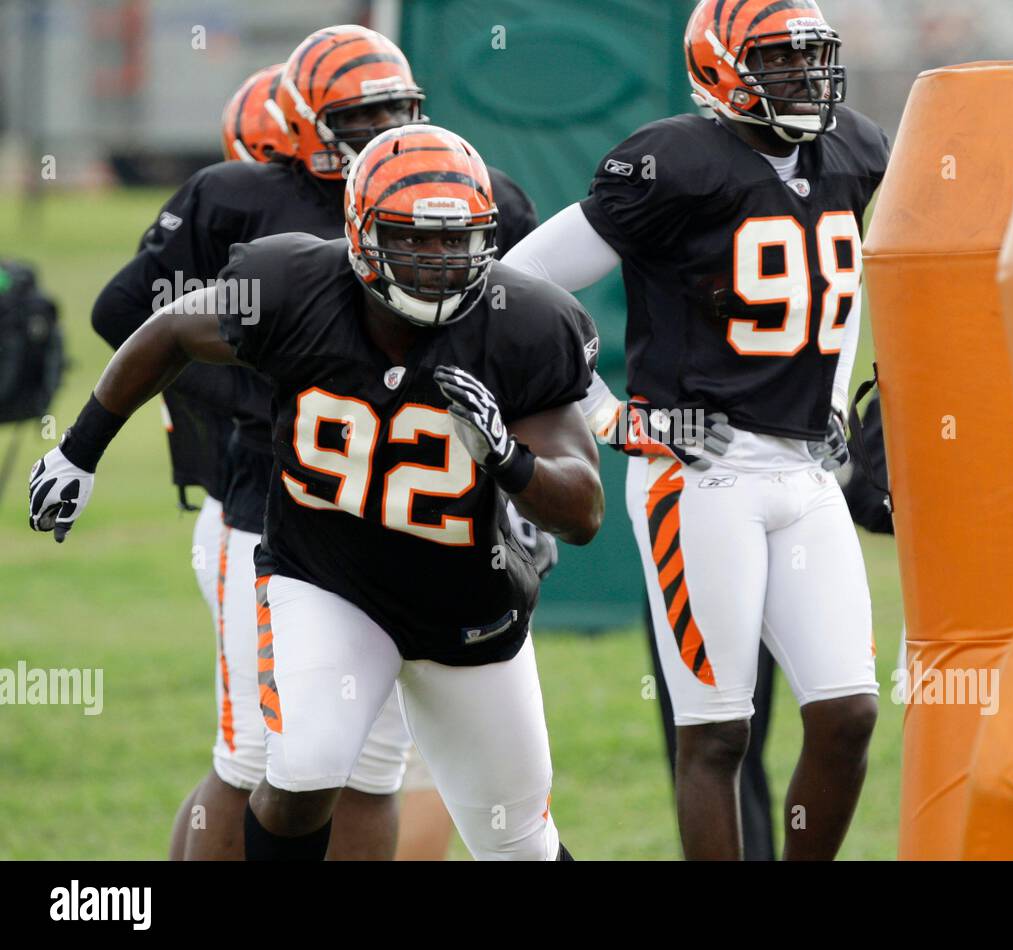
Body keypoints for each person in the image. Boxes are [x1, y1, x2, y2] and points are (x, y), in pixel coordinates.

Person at [31, 124, 603, 861]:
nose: (438, 261)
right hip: (326, 578)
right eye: (415, 239)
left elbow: (584, 509)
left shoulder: (524, 323)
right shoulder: (290, 285)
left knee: (518, 842)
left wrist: (508, 459)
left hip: (468, 607)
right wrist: (80, 451)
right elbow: (170, 327)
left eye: (457, 240)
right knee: (303, 768)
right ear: (362, 235)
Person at [502, 0, 889, 859]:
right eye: (782, 60)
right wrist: (607, 413)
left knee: (849, 712)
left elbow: (848, 279)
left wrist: (833, 398)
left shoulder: (854, 148)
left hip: (804, 472)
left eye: (811, 57)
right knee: (717, 733)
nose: (806, 77)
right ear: (721, 70)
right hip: (700, 475)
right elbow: (516, 287)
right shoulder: (671, 163)